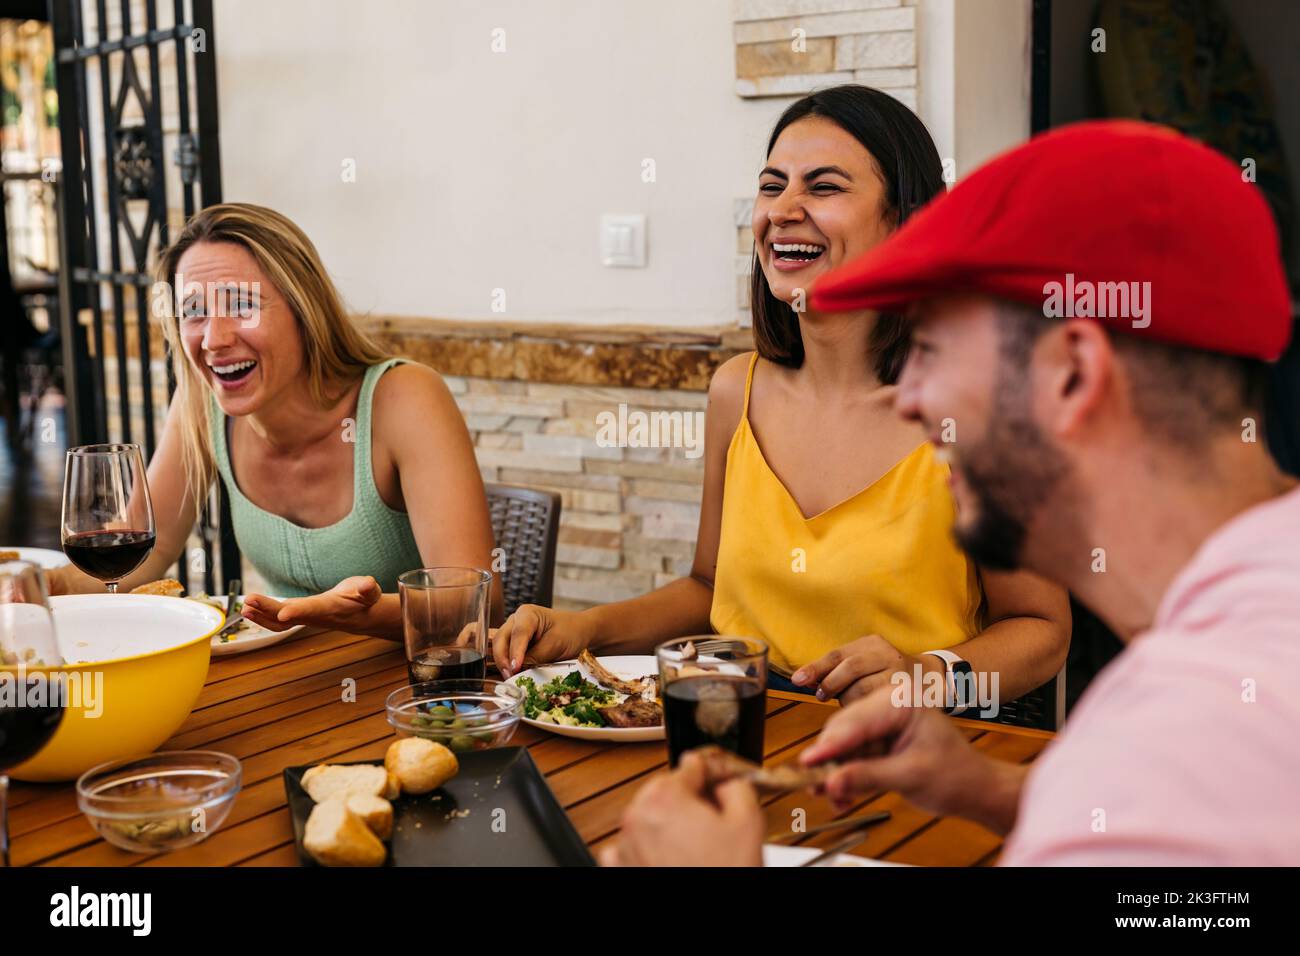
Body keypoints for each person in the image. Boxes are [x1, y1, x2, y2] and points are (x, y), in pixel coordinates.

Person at [606, 119, 1300, 866]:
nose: (911, 400)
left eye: (934, 347)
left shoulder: (1201, 722)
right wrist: (985, 788)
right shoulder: (1244, 638)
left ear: (1071, 377)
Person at [492, 86, 1070, 708]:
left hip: (915, 752)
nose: (783, 209)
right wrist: (585, 628)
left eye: (823, 188)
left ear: (906, 222)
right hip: (741, 737)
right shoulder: (734, 391)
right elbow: (708, 588)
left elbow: (1041, 632)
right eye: (772, 186)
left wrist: (922, 679)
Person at [49, 203, 502, 635]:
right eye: (194, 311)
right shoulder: (199, 403)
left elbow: (475, 606)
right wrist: (37, 585)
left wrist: (354, 615)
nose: (214, 339)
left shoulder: (404, 398)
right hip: (289, 679)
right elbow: (151, 550)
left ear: (305, 309)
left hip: (414, 690)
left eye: (241, 305)